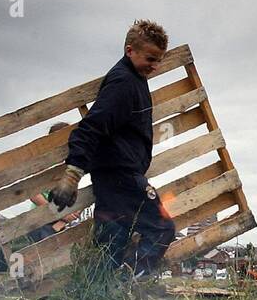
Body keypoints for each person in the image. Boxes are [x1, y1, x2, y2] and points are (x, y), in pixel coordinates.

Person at [47, 19, 175, 277]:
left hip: (114, 180)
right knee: (162, 229)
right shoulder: (123, 83)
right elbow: (91, 128)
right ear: (130, 50)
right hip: (122, 178)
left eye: (159, 60)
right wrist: (72, 176)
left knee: (111, 248)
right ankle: (125, 286)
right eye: (151, 59)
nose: (155, 66)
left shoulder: (134, 77)